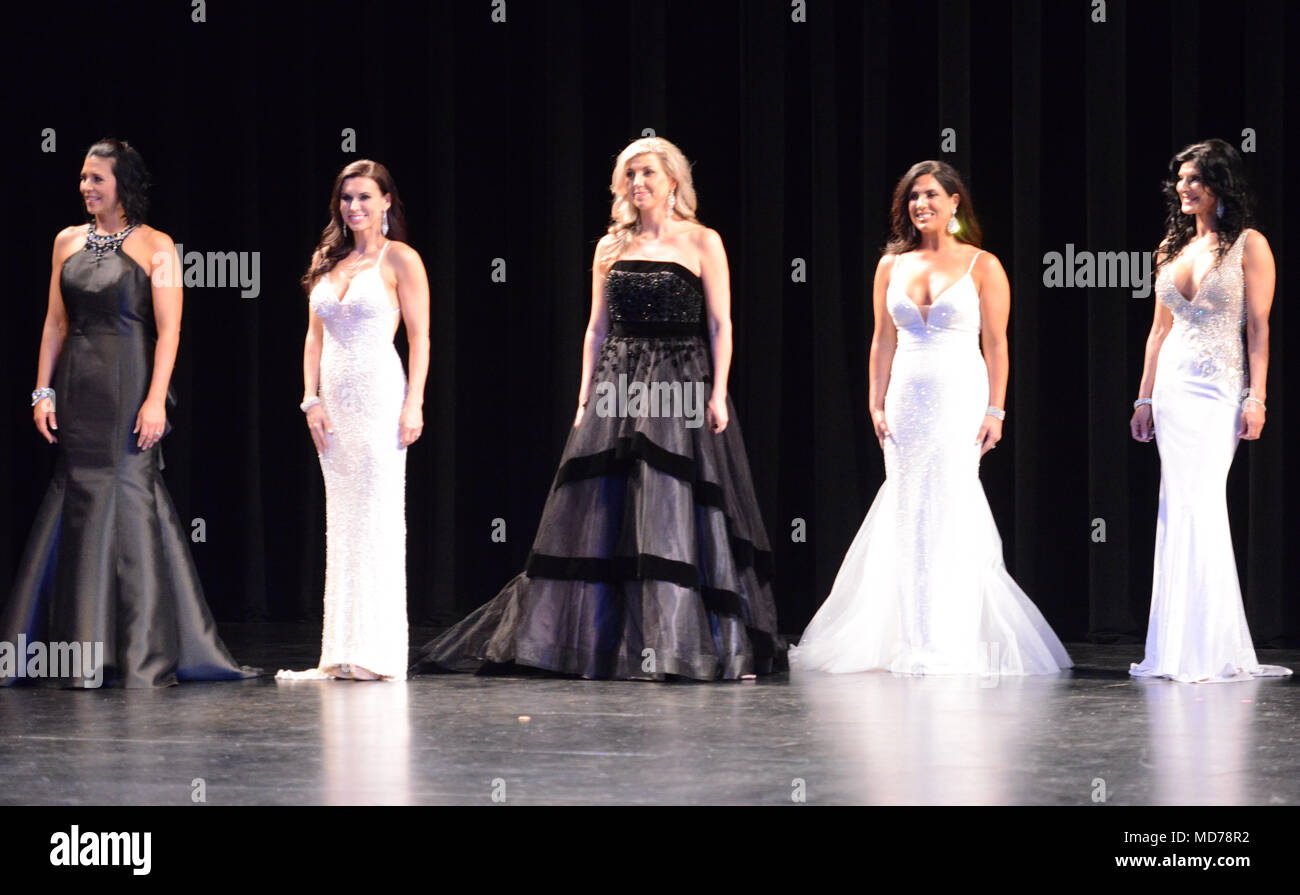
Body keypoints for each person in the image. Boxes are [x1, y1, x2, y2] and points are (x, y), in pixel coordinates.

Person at [413, 137, 783, 680]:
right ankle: (604, 644)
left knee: (673, 507)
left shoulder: (703, 241)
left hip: (680, 375)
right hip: (620, 377)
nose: (638, 183)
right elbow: (595, 329)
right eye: (630, 175)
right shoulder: (610, 247)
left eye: (649, 173)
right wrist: (585, 396)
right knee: (607, 506)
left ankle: (690, 642)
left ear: (673, 181)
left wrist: (719, 390)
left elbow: (721, 325)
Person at [789, 161, 1071, 676]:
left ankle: (952, 634)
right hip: (904, 400)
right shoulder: (890, 266)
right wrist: (875, 404)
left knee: (951, 503)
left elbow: (997, 345)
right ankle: (911, 633)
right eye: (914, 197)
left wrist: (996, 409)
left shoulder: (982, 265)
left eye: (932, 195)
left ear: (955, 202)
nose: (922, 204)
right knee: (908, 508)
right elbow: (882, 341)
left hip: (960, 395)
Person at [1, 139, 257, 688]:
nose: (86, 187)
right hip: (76, 383)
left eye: (97, 178)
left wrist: (154, 398)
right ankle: (75, 653)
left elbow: (171, 331)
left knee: (129, 492)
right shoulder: (66, 240)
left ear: (123, 184)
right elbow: (54, 323)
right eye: (82, 178)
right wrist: (41, 391)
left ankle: (143, 650)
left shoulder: (156, 245)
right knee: (77, 494)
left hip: (129, 381)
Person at [1128, 138, 1290, 683]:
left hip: (1219, 389)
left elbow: (1260, 328)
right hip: (1172, 389)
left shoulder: (1249, 245)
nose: (1184, 187)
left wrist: (1257, 396)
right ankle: (1176, 647)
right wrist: (1144, 397)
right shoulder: (1169, 250)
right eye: (1180, 179)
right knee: (1177, 506)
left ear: (1219, 183)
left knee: (1202, 502)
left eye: (1194, 178)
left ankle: (1208, 646)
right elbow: (1157, 331)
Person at [276, 160, 429, 682]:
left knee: (379, 519)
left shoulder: (400, 259)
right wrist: (309, 398)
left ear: (387, 201)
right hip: (333, 406)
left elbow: (420, 337)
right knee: (341, 524)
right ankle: (340, 652)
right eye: (346, 199)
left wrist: (415, 403)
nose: (354, 208)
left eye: (365, 197)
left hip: (381, 398)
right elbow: (313, 337)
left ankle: (378, 653)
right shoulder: (328, 258)